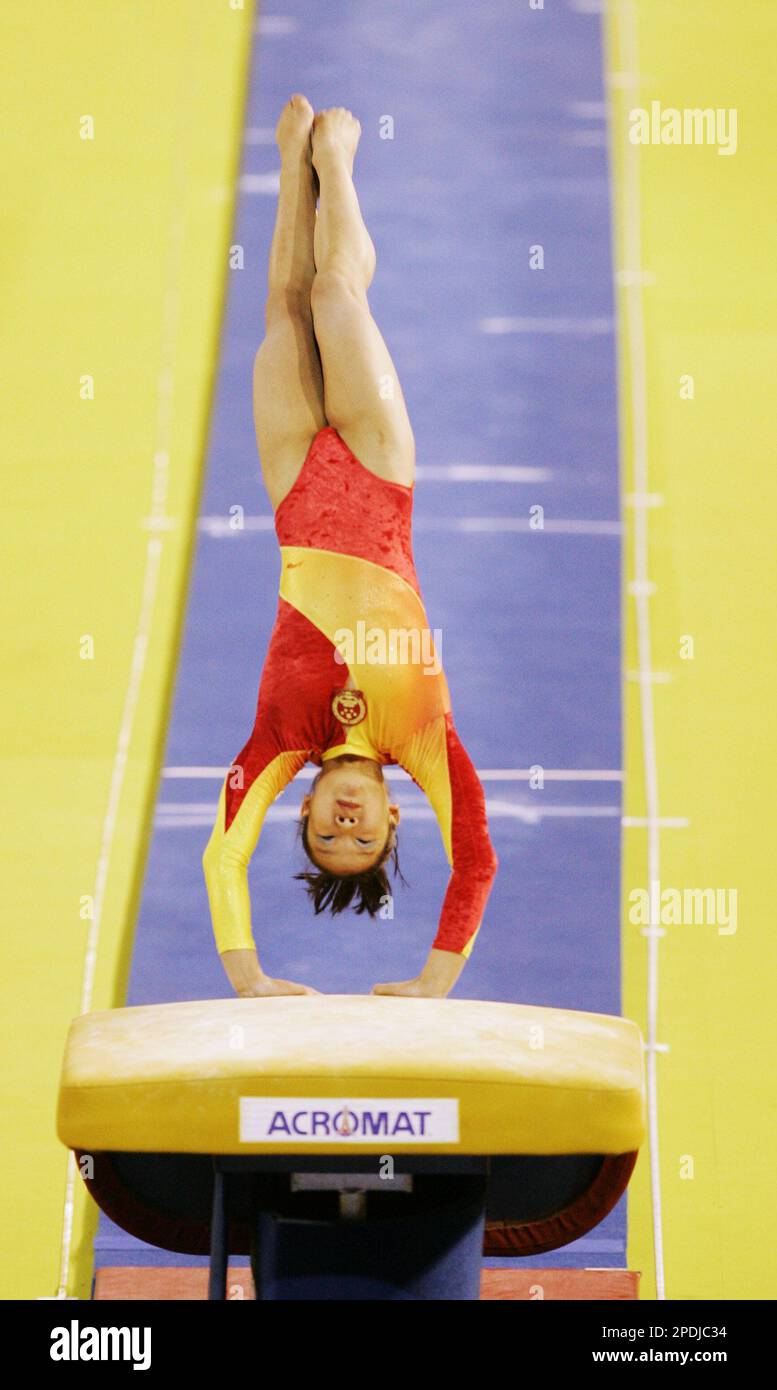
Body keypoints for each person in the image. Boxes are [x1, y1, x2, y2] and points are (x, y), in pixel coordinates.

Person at [202, 96, 497, 1000]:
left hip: (294, 488)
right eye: (360, 837)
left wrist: (247, 979)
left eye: (323, 835)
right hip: (376, 474)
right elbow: (478, 862)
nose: (342, 824)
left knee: (287, 307)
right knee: (337, 294)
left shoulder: (278, 739)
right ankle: (343, 164)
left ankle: (294, 159)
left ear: (302, 810)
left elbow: (223, 855)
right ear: (395, 819)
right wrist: (431, 985)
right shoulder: (425, 739)